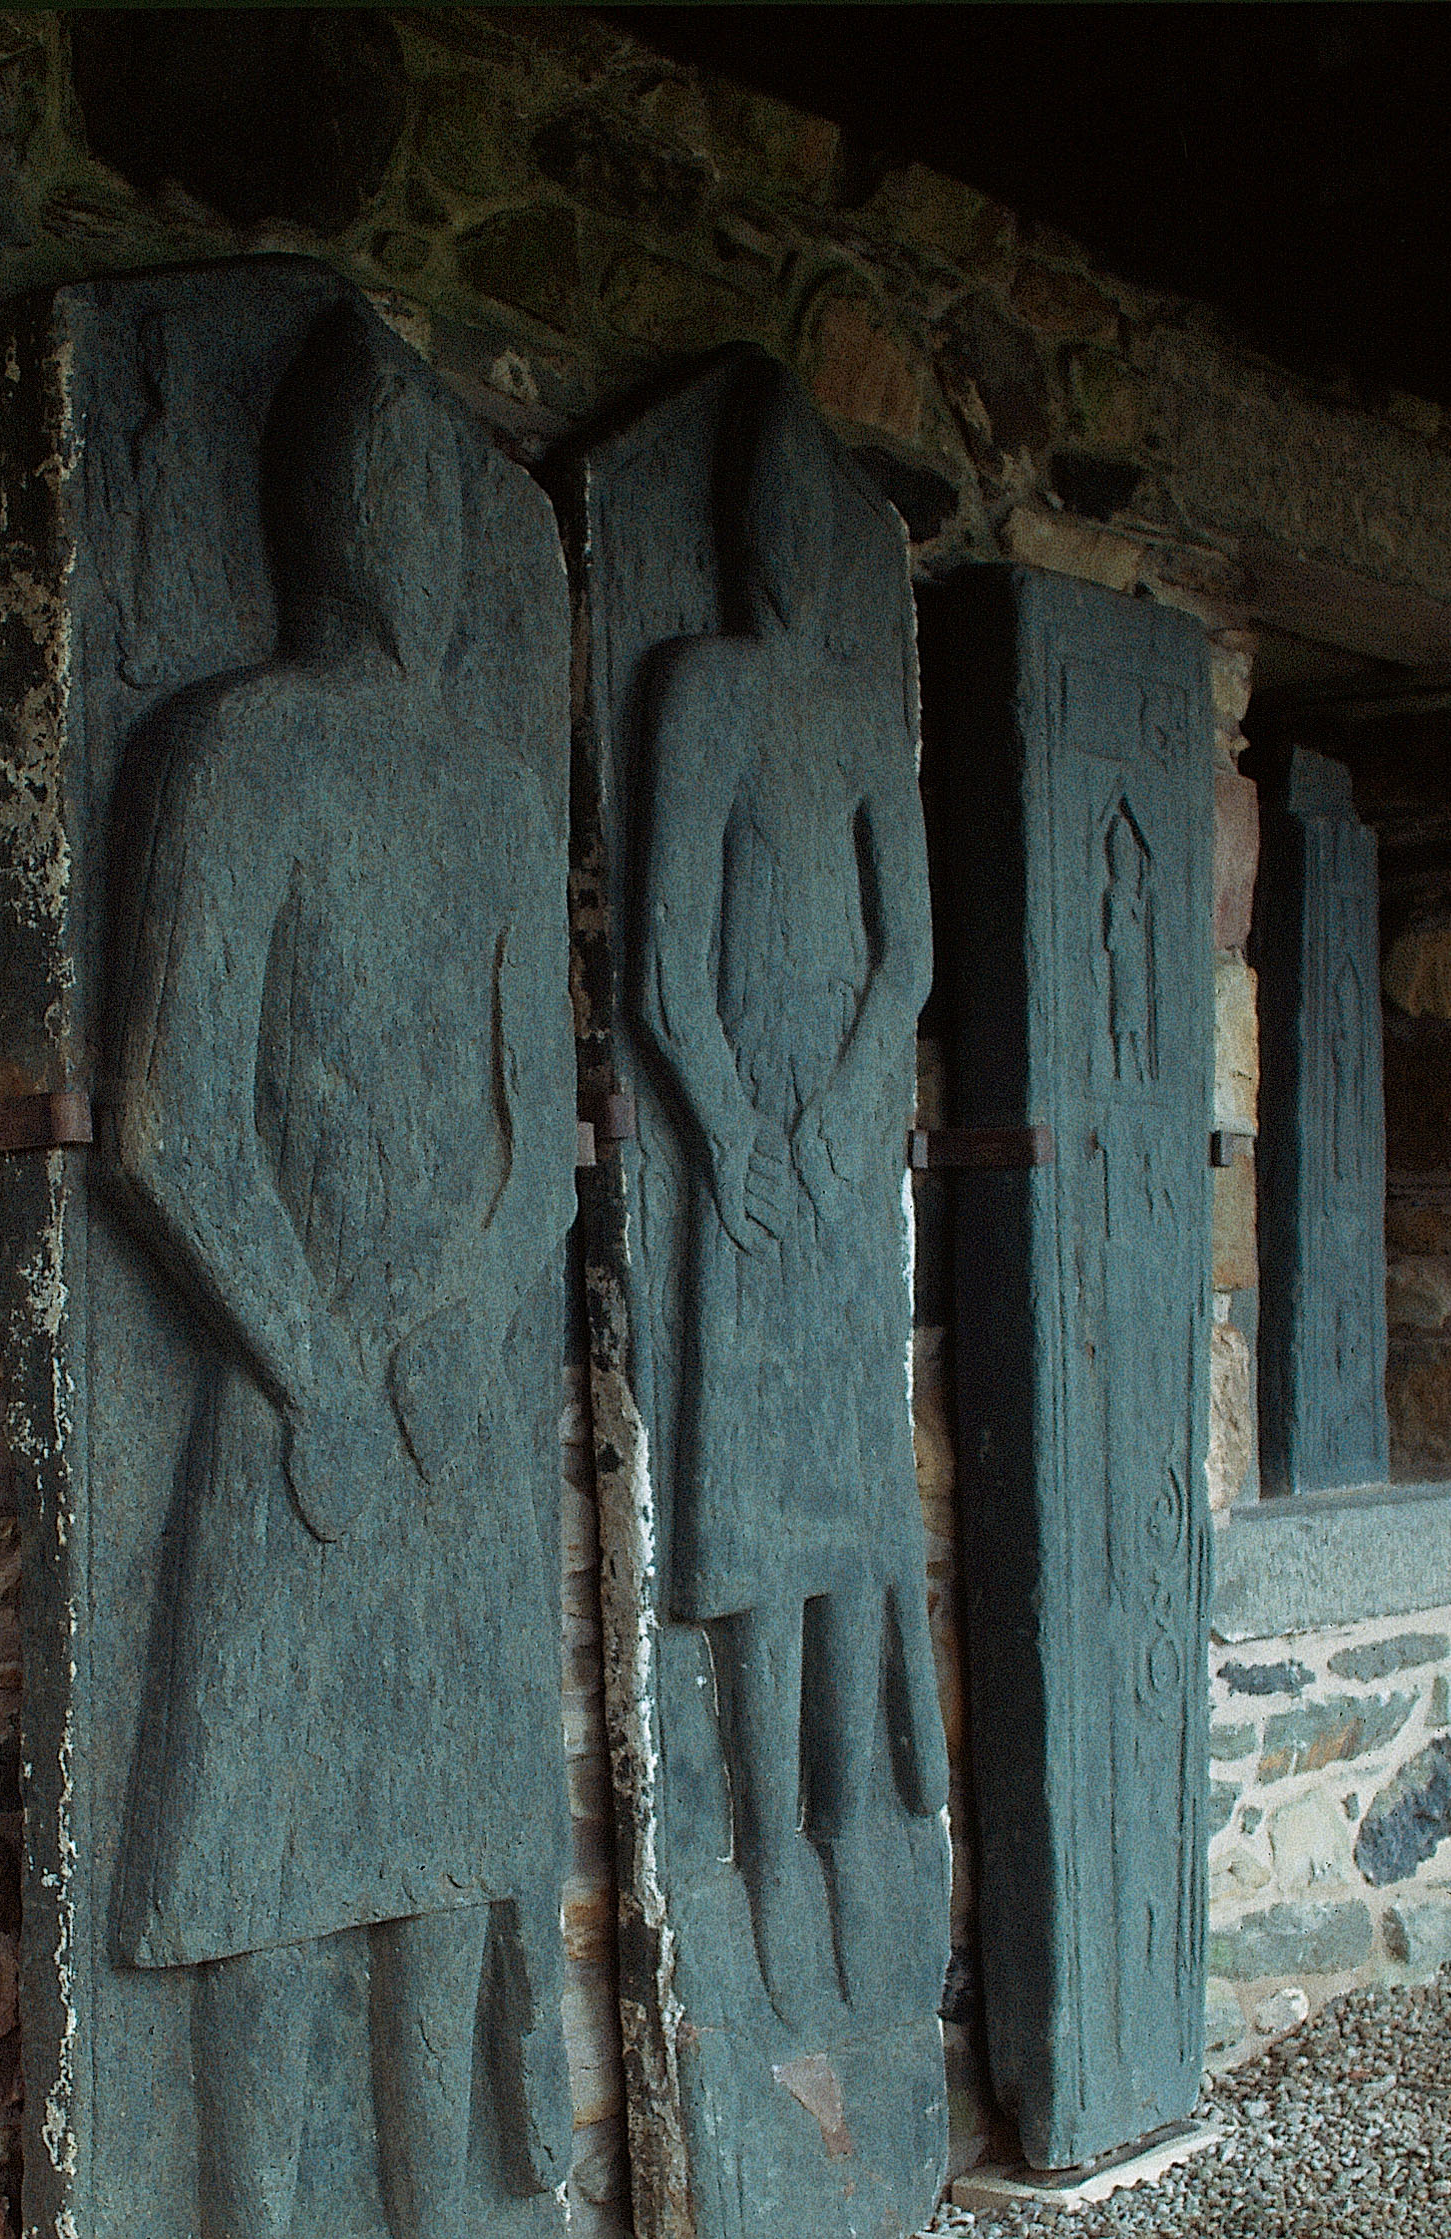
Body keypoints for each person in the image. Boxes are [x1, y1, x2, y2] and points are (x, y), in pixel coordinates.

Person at [98, 310, 576, 2239]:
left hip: (436, 1395)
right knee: (268, 1851)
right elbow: (171, 1121)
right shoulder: (240, 751)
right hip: (279, 1380)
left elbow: (538, 1134)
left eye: (441, 505)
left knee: (444, 1837)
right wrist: (313, 1370)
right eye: (391, 501)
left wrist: (440, 1342)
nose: (423, 543)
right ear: (323, 519)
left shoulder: (493, 790)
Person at [627, 358, 946, 2033]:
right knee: (750, 1519)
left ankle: (843, 1819)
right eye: (767, 529)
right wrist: (736, 1131)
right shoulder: (703, 693)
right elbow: (664, 960)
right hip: (743, 1169)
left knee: (848, 1500)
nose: (784, 560)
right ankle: (756, 1841)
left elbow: (908, 955)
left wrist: (839, 1113)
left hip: (831, 1150)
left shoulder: (863, 718)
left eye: (801, 533)